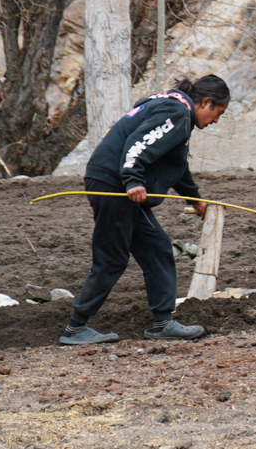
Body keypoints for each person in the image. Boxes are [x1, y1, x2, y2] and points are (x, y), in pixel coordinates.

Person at [60, 75, 230, 345]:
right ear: (206, 102)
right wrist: (133, 180)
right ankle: (75, 328)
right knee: (111, 258)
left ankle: (163, 323)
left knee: (158, 248)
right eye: (218, 113)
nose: (216, 121)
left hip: (116, 182)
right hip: (114, 185)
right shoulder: (177, 111)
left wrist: (193, 199)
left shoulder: (171, 105)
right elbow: (138, 144)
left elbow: (175, 162)